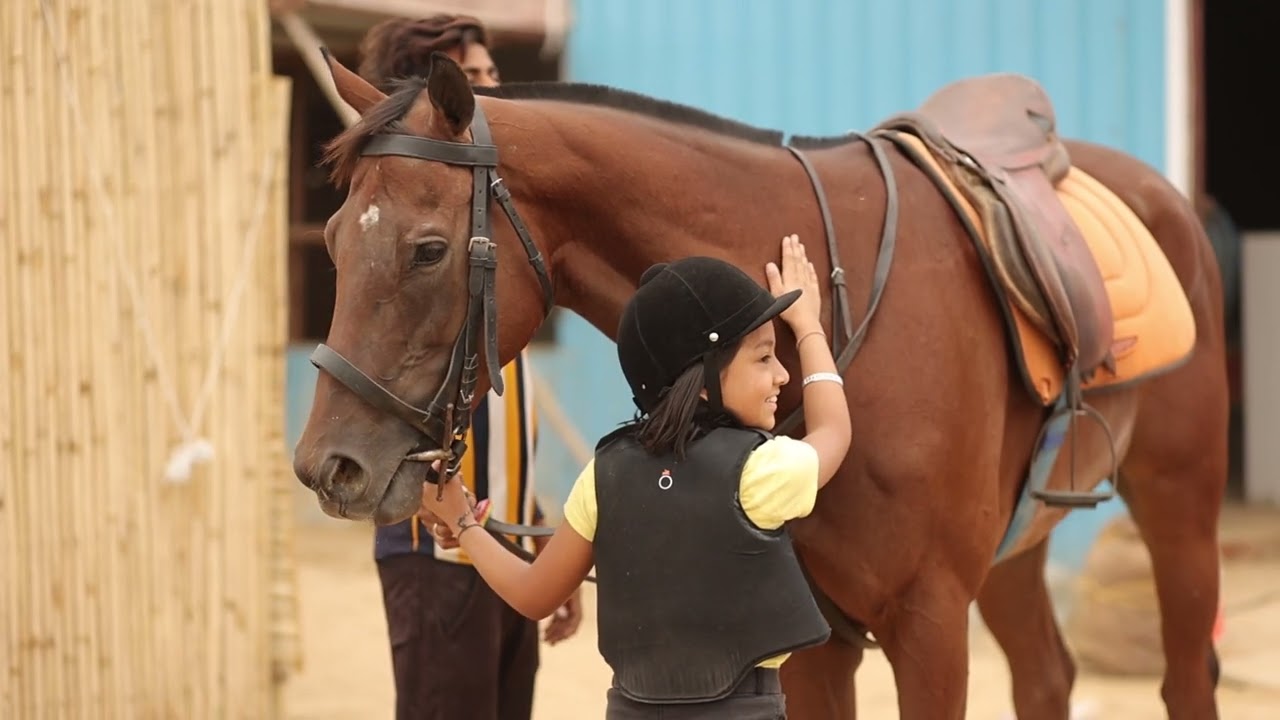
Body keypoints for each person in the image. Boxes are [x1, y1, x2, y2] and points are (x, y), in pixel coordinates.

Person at [421, 235, 853, 719]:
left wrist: (463, 523)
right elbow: (833, 431)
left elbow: (533, 594)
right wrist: (808, 327)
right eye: (764, 357)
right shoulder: (762, 471)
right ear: (702, 378)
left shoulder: (604, 474)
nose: (782, 376)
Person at [357, 14, 582, 720]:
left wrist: (537, 538)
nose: (490, 92)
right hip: (438, 559)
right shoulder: (413, 258)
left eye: (490, 75)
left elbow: (508, 422)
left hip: (506, 555)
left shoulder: (486, 252)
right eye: (472, 79)